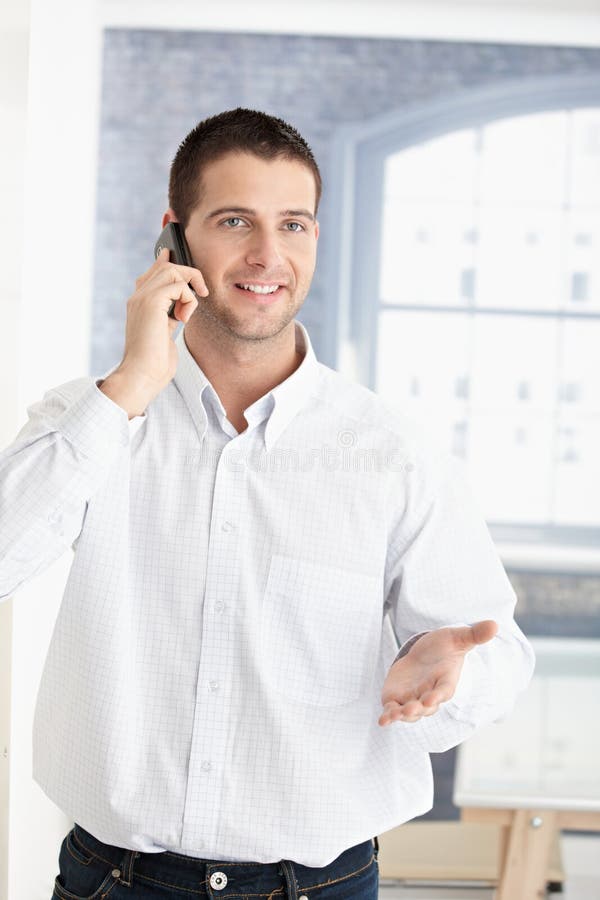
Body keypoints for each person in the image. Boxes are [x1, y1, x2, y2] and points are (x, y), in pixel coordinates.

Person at [0, 108, 534, 899]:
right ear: (173, 241)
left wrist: (448, 675)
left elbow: (497, 650)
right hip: (113, 881)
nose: (268, 255)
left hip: (320, 885)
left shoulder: (392, 454)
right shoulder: (92, 420)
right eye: (234, 221)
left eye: (294, 224)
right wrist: (132, 386)